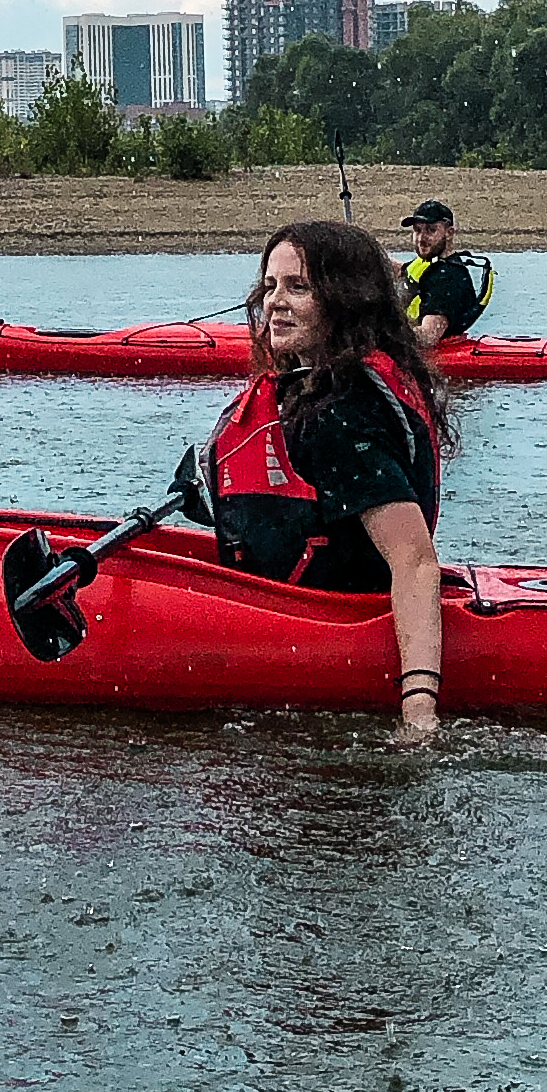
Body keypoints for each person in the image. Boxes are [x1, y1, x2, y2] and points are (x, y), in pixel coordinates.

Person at [207, 215, 456, 747]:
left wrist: (418, 709)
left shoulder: (345, 412)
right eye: (270, 286)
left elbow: (413, 562)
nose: (275, 301)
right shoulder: (309, 388)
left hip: (334, 622)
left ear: (343, 301)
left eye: (298, 287)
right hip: (283, 596)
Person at [398, 197, 493, 349]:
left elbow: (428, 336)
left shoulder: (448, 279)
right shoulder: (429, 263)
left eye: (431, 230)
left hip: (437, 354)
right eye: (417, 230)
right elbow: (400, 270)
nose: (421, 238)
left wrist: (383, 336)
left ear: (449, 233)